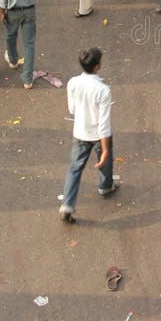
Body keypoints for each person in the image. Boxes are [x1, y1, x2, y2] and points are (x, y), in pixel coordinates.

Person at [59, 47, 118, 223]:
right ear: (97, 66)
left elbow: (72, 109)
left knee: (74, 169)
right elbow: (104, 123)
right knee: (105, 160)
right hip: (98, 135)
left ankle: (67, 205)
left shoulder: (72, 83)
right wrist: (105, 148)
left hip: (80, 132)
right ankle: (105, 186)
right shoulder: (103, 90)